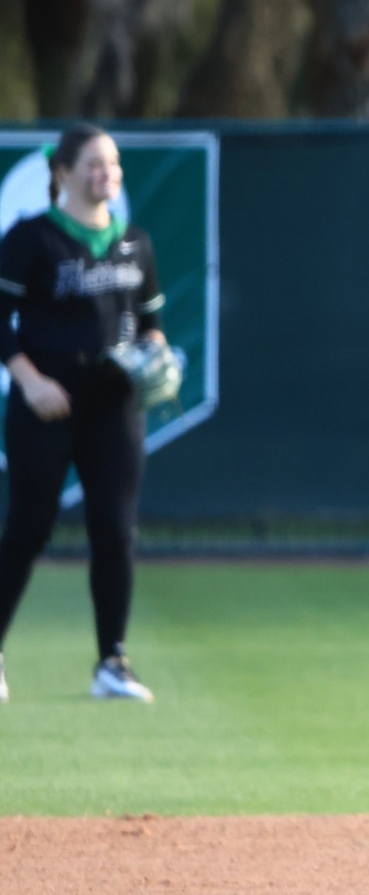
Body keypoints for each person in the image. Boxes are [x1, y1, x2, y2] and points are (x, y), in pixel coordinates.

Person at [0, 124, 167, 704]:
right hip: (45, 402)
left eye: (113, 164)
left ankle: (112, 662)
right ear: (63, 172)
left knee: (116, 531)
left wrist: (157, 353)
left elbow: (149, 323)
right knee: (28, 527)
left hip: (112, 407)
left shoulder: (135, 243)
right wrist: (29, 381)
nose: (107, 173)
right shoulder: (33, 238)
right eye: (95, 164)